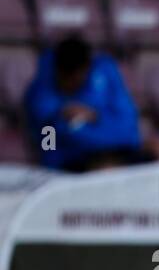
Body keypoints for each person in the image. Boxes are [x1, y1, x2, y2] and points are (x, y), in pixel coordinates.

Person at [23, 35, 142, 172]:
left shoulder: (106, 73)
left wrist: (95, 116)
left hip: (113, 153)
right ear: (59, 72)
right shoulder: (42, 98)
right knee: (105, 169)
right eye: (69, 79)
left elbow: (129, 129)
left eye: (77, 78)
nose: (72, 84)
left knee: (156, 150)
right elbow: (50, 144)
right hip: (71, 164)